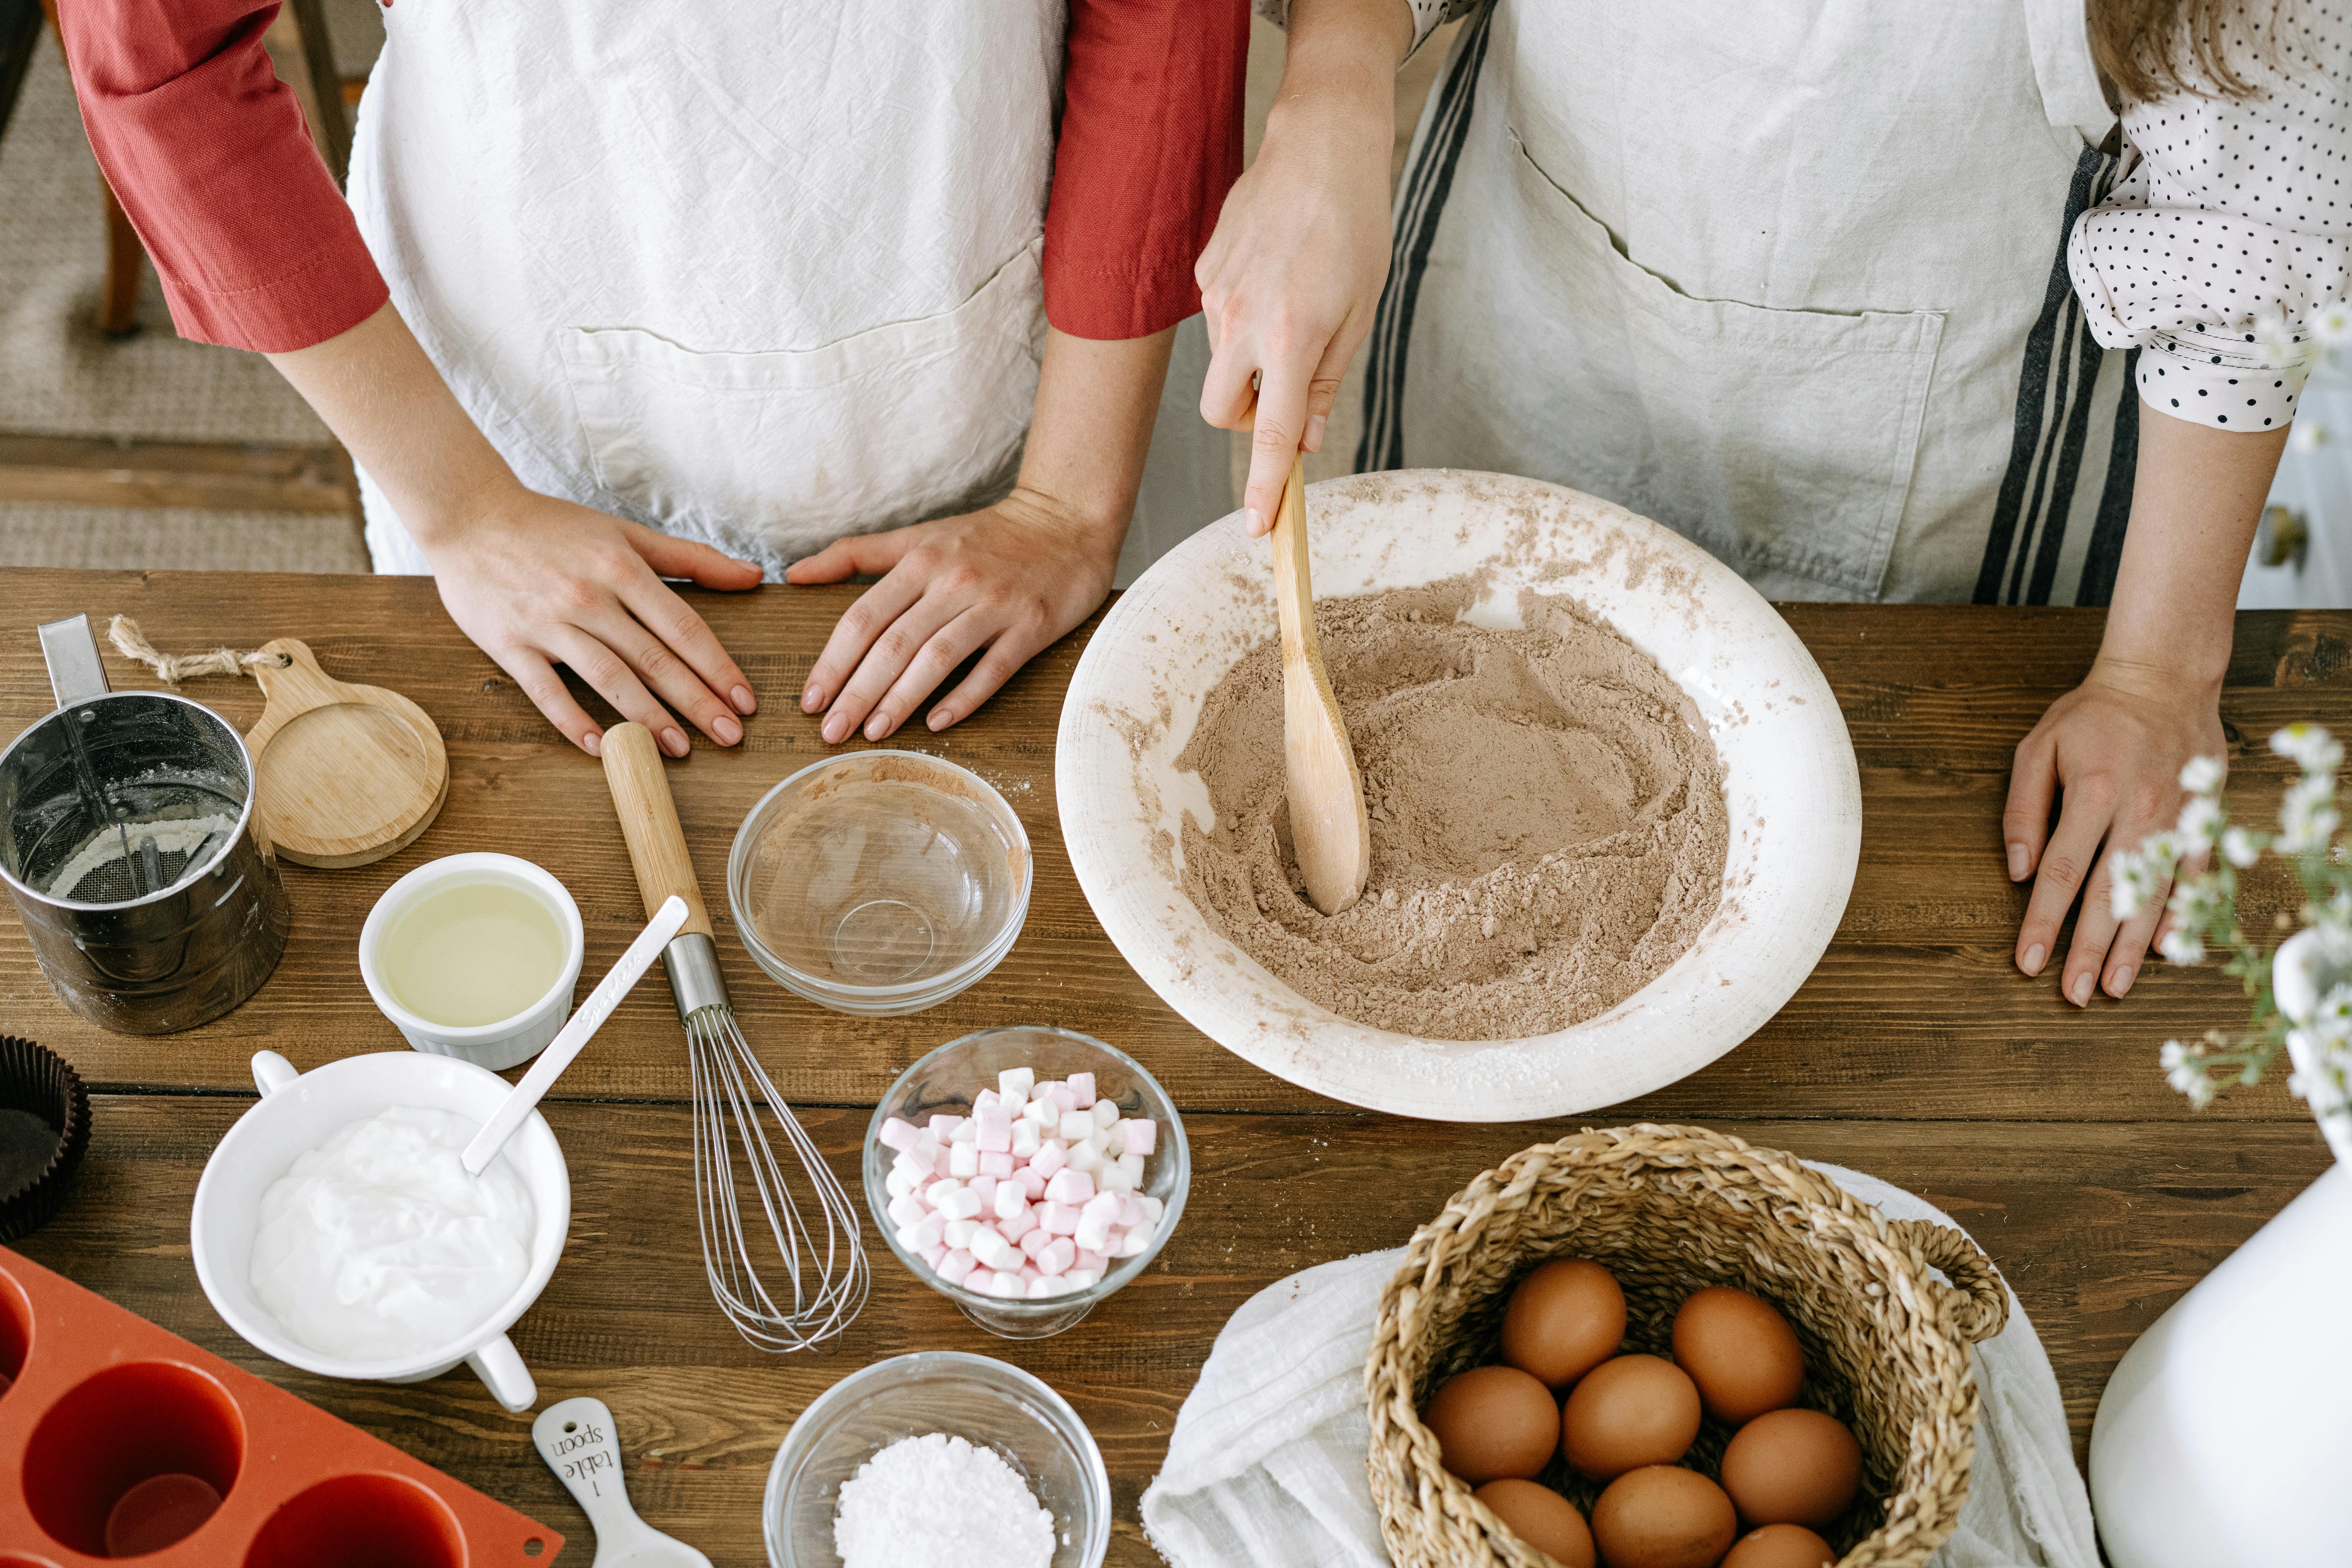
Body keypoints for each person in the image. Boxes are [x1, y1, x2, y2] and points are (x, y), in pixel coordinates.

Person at [1200, 0, 2347, 1007]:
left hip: (1950, 476)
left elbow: (2253, 220)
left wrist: (2157, 675)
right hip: (1533, 310)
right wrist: (1333, 95)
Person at [57, 1, 1245, 758]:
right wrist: (466, 509)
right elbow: (162, 59)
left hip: (1050, 363)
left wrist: (1068, 505)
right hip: (509, 418)